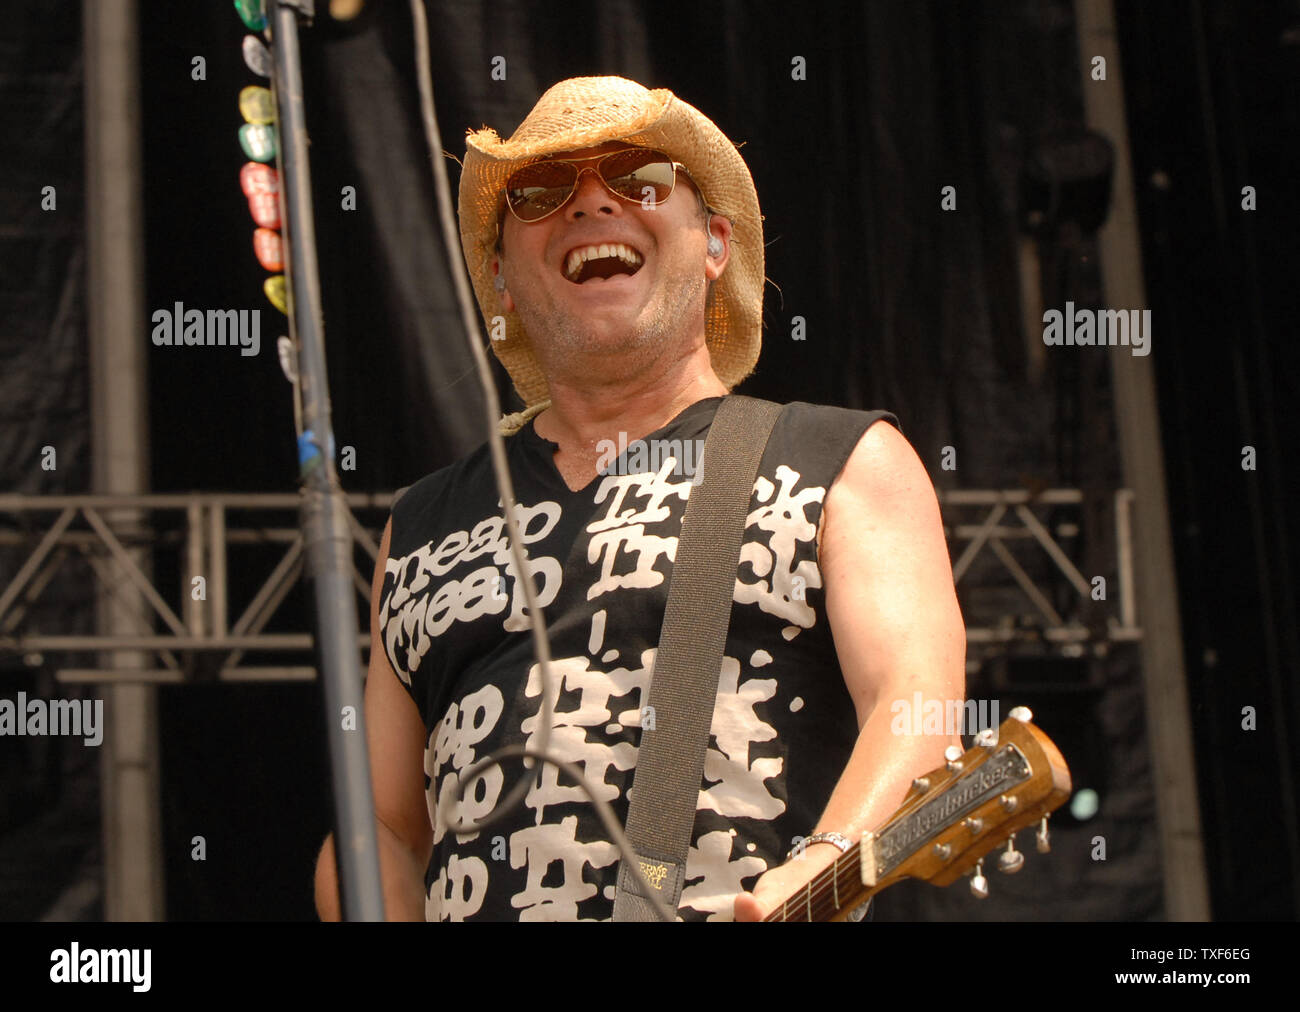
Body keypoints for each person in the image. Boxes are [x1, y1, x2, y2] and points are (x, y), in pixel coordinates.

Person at [314, 75, 965, 922]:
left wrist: (828, 863)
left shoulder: (841, 461)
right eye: (544, 193)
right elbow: (385, 826)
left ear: (715, 244)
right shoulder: (423, 524)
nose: (591, 204)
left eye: (641, 180)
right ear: (503, 277)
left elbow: (916, 706)